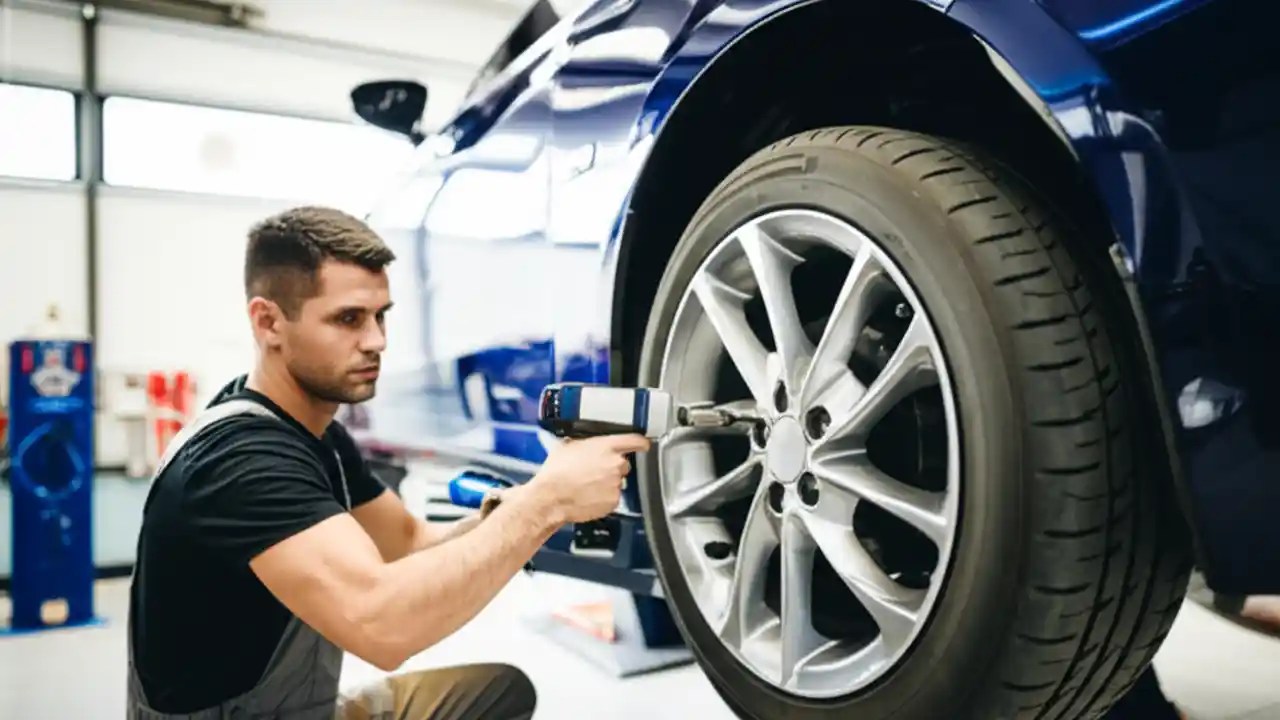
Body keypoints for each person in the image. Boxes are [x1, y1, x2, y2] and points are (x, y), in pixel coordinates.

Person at [126, 206, 651, 719]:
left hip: (300, 708)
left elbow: (408, 545)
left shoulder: (319, 435)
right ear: (268, 323)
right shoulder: (238, 462)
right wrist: (546, 501)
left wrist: (514, 511)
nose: (377, 341)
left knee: (498, 690)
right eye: (348, 319)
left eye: (381, 316)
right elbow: (382, 626)